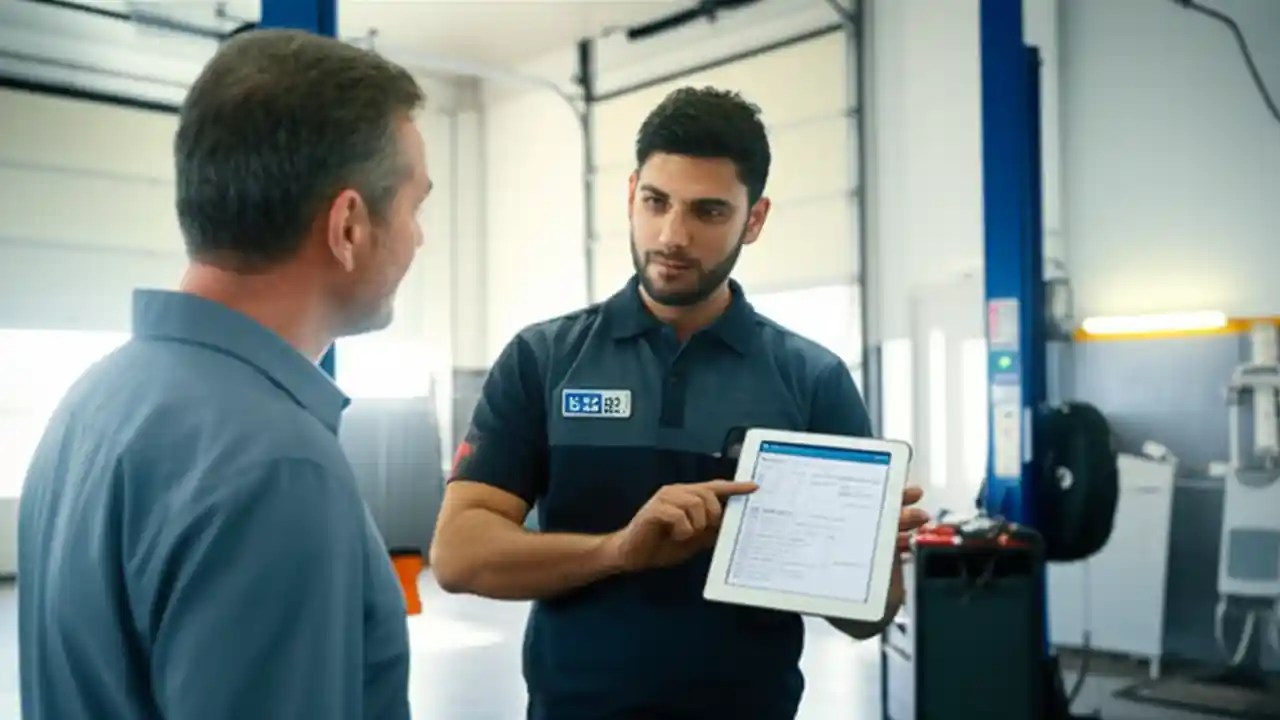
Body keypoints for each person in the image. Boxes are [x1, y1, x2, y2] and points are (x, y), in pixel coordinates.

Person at [431, 86, 929, 719]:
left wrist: (866, 554)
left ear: (754, 219)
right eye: (656, 201)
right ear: (630, 193)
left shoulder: (812, 379)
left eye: (708, 212)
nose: (672, 235)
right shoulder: (544, 359)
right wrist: (619, 550)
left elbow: (868, 618)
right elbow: (458, 555)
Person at [17, 29, 432, 720]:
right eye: (415, 207)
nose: (419, 237)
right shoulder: (277, 465)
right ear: (348, 226)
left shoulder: (95, 401)